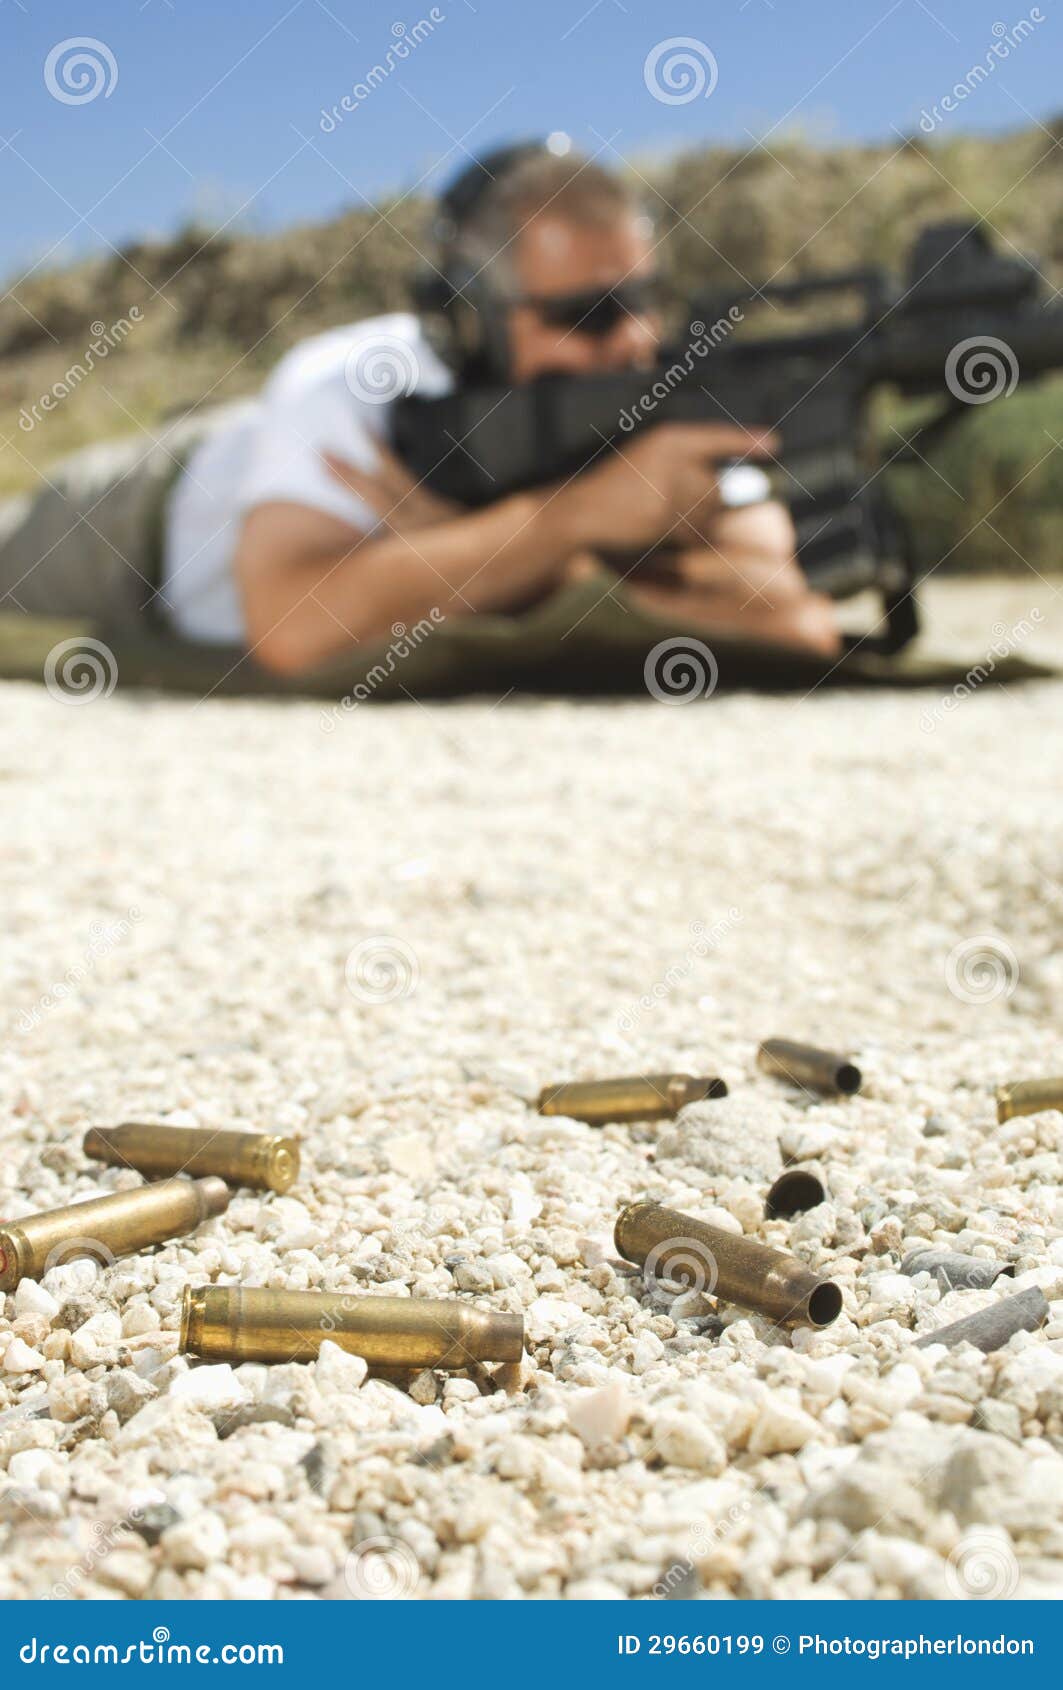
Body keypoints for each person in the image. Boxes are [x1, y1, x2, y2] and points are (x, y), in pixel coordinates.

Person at [0, 142, 839, 674]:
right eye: (586, 315)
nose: (633, 343)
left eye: (643, 301)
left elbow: (797, 626)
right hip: (128, 517)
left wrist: (484, 549)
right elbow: (292, 628)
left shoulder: (656, 403)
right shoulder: (355, 379)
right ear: (467, 318)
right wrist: (565, 524)